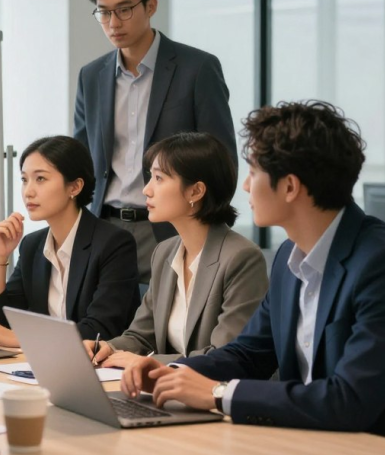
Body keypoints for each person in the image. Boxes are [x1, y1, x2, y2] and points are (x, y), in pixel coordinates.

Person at [121, 101, 385, 451]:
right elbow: (248, 354)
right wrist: (170, 372)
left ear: (290, 187)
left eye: (254, 172)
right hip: (311, 444)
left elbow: (350, 400)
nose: (246, 186)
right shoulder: (288, 258)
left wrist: (217, 393)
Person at [74, 0, 236, 286]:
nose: (112, 23)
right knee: (107, 330)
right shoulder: (91, 76)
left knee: (167, 331)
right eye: (103, 12)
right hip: (105, 227)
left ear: (151, 6)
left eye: (124, 10)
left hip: (172, 226)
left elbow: (222, 158)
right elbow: (79, 159)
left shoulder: (197, 68)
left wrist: (202, 224)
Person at [88, 132, 268, 366]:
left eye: (159, 178)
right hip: (164, 391)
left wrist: (152, 363)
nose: (146, 190)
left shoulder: (241, 257)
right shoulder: (164, 251)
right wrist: (106, 347)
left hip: (211, 393)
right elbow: (141, 336)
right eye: (150, 177)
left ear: (195, 191)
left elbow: (225, 356)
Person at [0, 135, 140, 348]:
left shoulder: (114, 244)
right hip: (47, 364)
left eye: (40, 179)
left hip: (100, 368)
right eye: (24, 180)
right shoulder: (32, 244)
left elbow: (100, 329)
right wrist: (1, 256)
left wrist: (24, 339)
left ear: (75, 187)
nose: (28, 191)